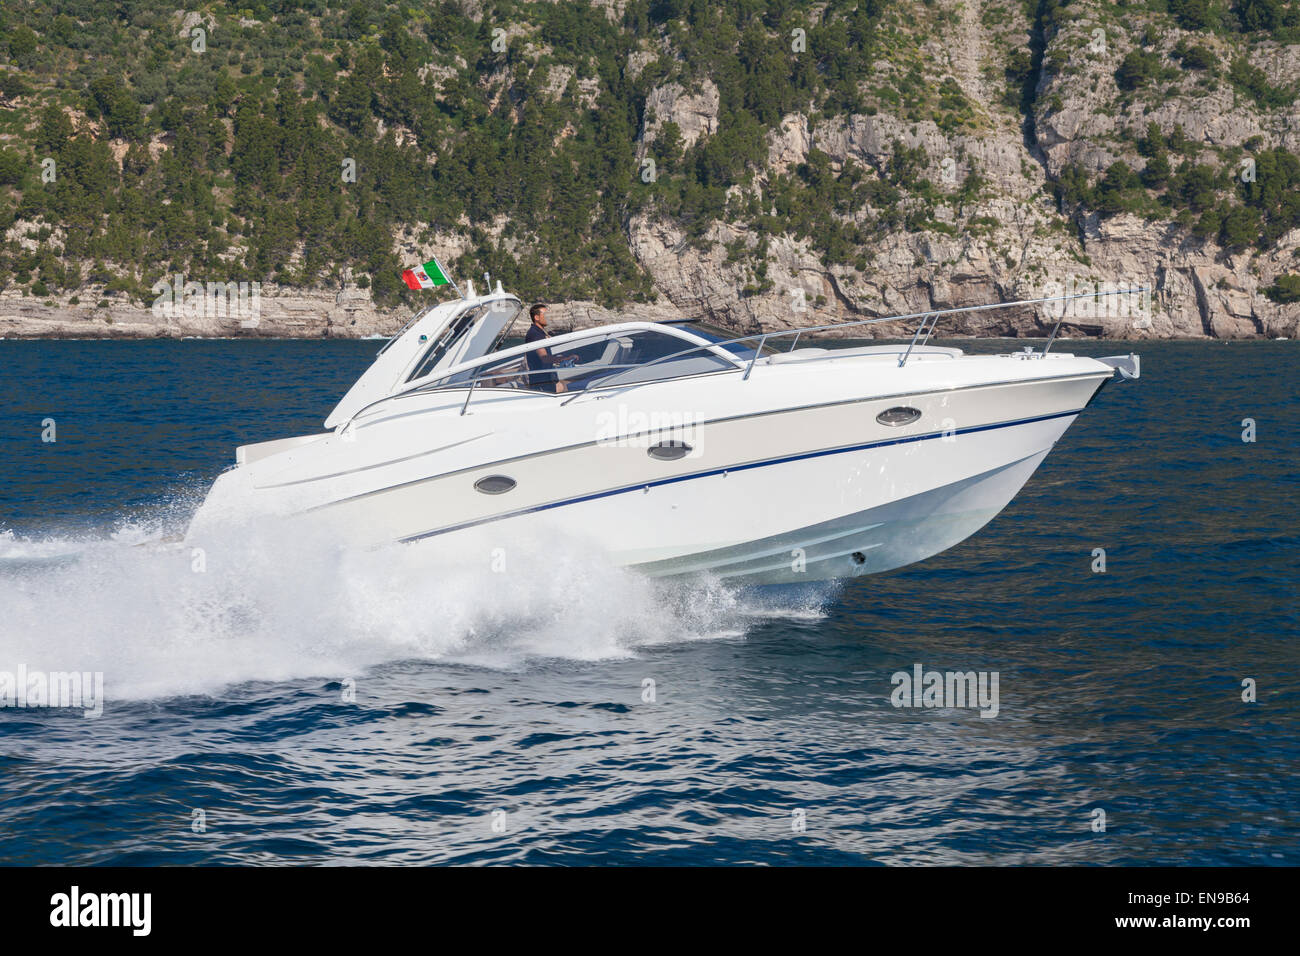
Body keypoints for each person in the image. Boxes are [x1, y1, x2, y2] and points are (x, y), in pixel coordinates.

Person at [523, 303, 576, 393]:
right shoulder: (535, 334)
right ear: (537, 317)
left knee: (562, 387)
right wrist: (565, 359)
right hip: (541, 382)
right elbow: (544, 358)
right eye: (545, 315)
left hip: (547, 378)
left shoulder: (540, 332)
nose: (548, 317)